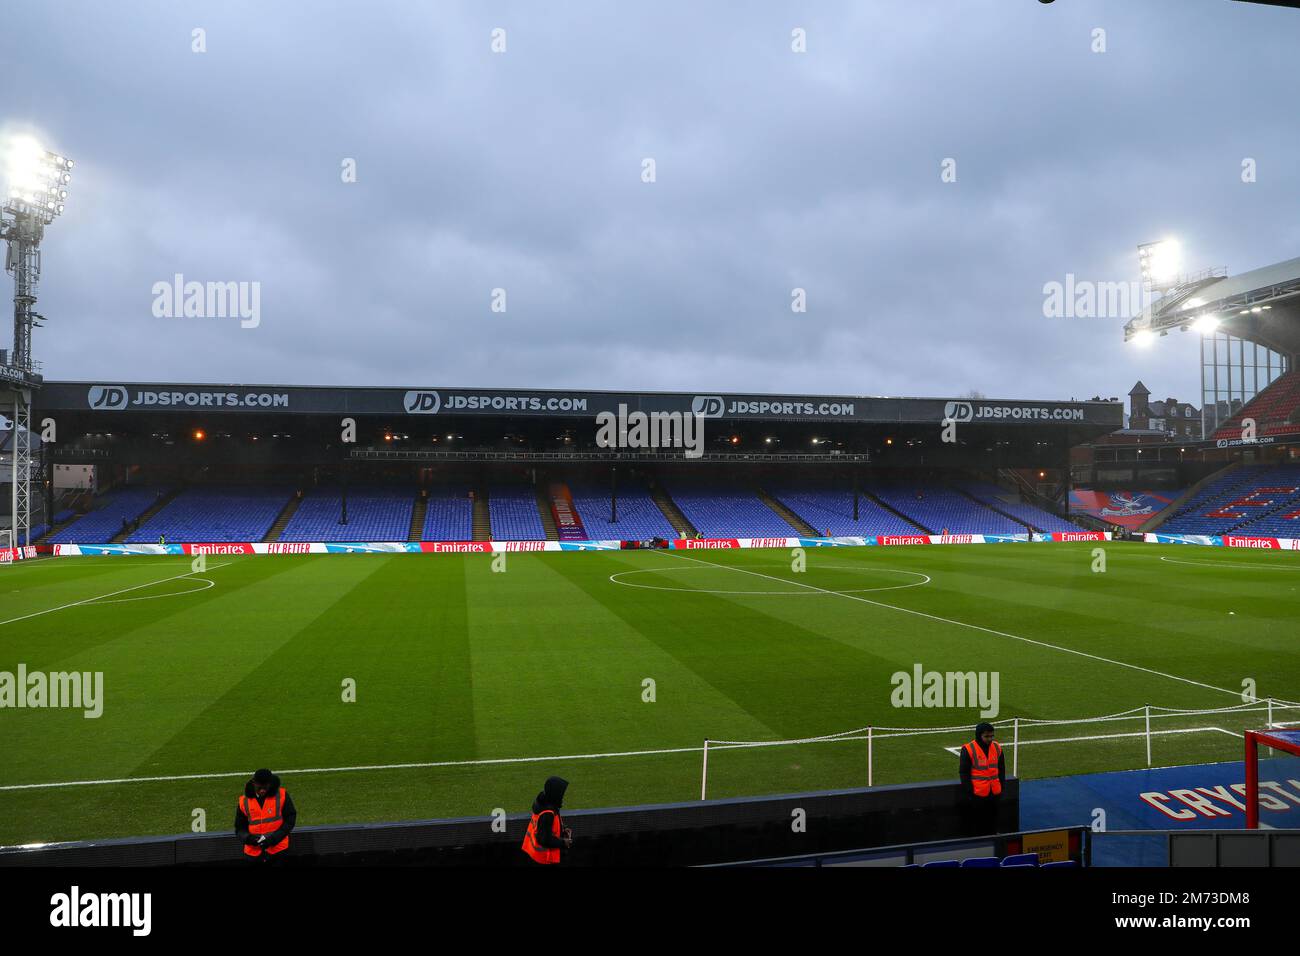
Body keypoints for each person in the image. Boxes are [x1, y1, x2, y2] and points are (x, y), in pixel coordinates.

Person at [236, 768, 297, 862]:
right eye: (259, 787)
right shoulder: (243, 801)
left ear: (271, 784)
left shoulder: (282, 795)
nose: (262, 791)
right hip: (253, 853)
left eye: (265, 787)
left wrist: (274, 839)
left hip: (278, 850)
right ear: (254, 783)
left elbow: (290, 820)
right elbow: (239, 828)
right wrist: (249, 839)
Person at [958, 722, 1005, 835]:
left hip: (994, 792)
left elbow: (1001, 769)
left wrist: (1001, 787)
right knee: (978, 824)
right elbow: (964, 773)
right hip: (978, 794)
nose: (990, 739)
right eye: (987, 736)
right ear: (979, 735)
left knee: (993, 821)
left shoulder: (997, 747)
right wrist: (970, 791)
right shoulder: (968, 749)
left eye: (992, 736)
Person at [521, 776, 572, 865]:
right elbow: (545, 840)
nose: (562, 796)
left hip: (536, 855)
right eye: (561, 793)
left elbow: (546, 827)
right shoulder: (547, 813)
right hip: (545, 859)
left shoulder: (545, 804)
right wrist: (563, 842)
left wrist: (562, 829)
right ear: (555, 794)